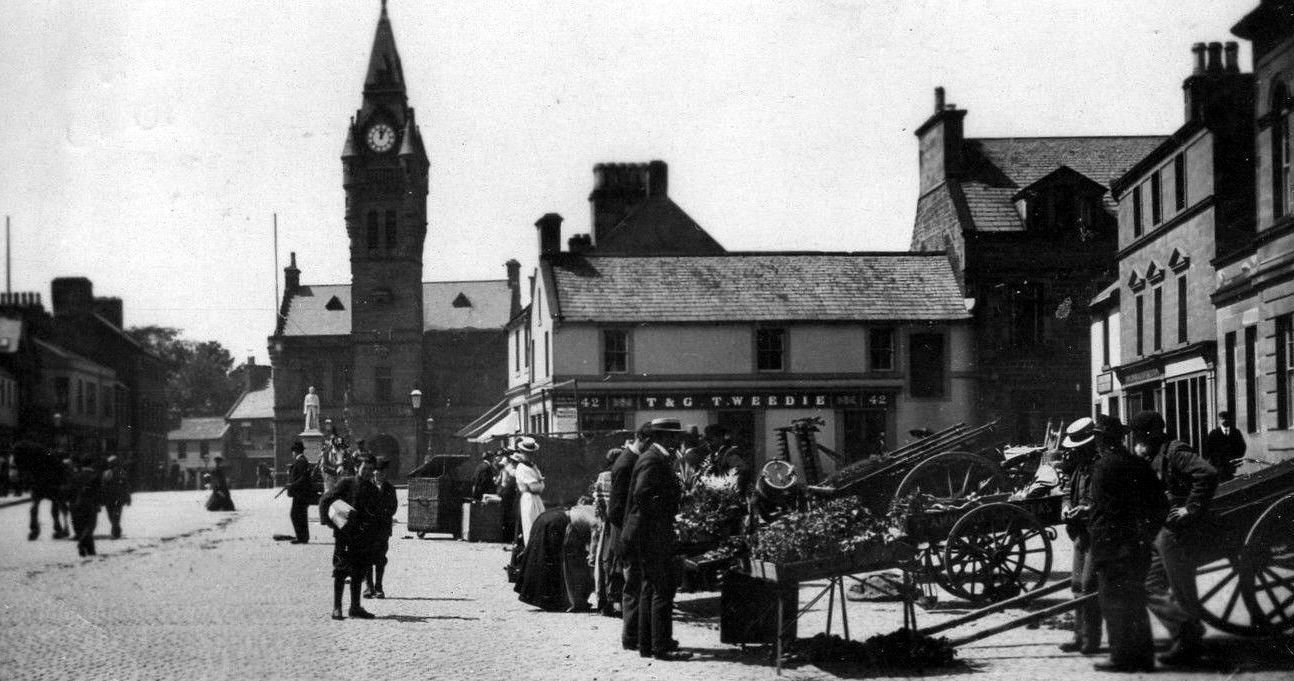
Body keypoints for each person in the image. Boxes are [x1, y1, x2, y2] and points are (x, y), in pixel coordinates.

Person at [1129, 410, 1218, 668]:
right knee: (1149, 585)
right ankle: (1187, 632)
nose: (1137, 440)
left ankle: (1189, 644)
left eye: (1140, 435)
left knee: (1182, 591)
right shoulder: (1156, 453)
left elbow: (1207, 473)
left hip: (1176, 533)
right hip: (1160, 530)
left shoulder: (1175, 451)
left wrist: (1190, 508)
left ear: (1152, 433)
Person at [1088, 414, 1167, 673]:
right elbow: (1161, 505)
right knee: (1135, 600)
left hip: (1111, 547)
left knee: (1113, 603)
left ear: (1101, 440)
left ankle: (1121, 657)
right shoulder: (1138, 464)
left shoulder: (1102, 468)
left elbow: (1102, 511)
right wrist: (1147, 533)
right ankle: (1143, 656)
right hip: (1137, 546)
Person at [622, 419, 691, 661]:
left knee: (649, 588)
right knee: (661, 589)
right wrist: (668, 515)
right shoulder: (653, 459)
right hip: (652, 533)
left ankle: (647, 645)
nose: (676, 442)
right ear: (663, 437)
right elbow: (644, 495)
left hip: (646, 532)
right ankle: (660, 647)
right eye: (674, 437)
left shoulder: (653, 457)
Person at [318, 454, 384, 620]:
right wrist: (330, 522)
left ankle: (355, 607)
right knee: (340, 571)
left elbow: (377, 516)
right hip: (344, 536)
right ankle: (337, 608)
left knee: (359, 572)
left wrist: (375, 537)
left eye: (370, 469)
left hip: (363, 538)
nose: (368, 472)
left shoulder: (374, 490)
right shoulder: (346, 483)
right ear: (357, 468)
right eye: (364, 468)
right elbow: (326, 500)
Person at [1056, 417, 1101, 655]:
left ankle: (1091, 640)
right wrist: (1065, 506)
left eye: (1080, 448)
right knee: (1076, 585)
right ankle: (1079, 635)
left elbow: (1107, 501)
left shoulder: (1101, 466)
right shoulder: (1079, 468)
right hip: (1080, 533)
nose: (1076, 453)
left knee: (1089, 585)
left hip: (1097, 533)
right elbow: (1066, 491)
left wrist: (1087, 509)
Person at [608, 436, 641, 648]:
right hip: (626, 532)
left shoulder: (628, 460)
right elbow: (616, 509)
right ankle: (631, 636)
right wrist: (628, 533)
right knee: (632, 583)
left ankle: (633, 635)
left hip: (625, 531)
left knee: (631, 581)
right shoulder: (626, 463)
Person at [364, 457, 399, 599]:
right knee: (366, 557)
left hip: (383, 528)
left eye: (382, 472)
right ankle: (368, 587)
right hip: (368, 528)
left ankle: (379, 587)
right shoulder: (366, 486)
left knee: (380, 557)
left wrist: (382, 513)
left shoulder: (390, 488)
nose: (378, 474)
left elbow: (393, 507)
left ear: (385, 473)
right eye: (376, 471)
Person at [592, 448, 621, 617]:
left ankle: (603, 601)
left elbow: (598, 503)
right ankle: (615, 601)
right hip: (616, 524)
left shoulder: (602, 476)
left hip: (605, 524)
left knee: (602, 561)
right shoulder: (621, 474)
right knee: (614, 562)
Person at [564, 498, 599, 612]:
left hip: (573, 528)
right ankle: (577, 602)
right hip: (572, 531)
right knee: (576, 569)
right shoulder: (596, 521)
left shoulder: (589, 511)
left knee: (577, 569)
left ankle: (578, 601)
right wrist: (592, 558)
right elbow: (594, 541)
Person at [67, 453, 103, 557]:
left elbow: (70, 491)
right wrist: (99, 503)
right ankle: (82, 543)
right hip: (91, 504)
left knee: (81, 526)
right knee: (90, 525)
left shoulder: (76, 476)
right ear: (91, 464)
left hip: (77, 504)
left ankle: (90, 550)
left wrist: (71, 503)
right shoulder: (95, 475)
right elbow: (99, 492)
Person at [512, 438, 546, 546]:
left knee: (540, 523)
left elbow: (541, 486)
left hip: (536, 499)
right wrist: (540, 484)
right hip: (529, 499)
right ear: (522, 453)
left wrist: (539, 484)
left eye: (532, 454)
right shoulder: (522, 468)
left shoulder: (533, 467)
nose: (531, 456)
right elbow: (535, 487)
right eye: (527, 453)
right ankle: (532, 551)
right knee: (531, 525)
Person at [285, 441, 318, 544]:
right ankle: (303, 537)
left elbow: (303, 478)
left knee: (296, 514)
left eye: (293, 452)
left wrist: (292, 485)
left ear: (295, 452)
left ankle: (301, 537)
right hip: (301, 493)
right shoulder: (302, 460)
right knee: (300, 515)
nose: (292, 454)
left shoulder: (301, 461)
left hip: (301, 493)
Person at [1203, 411, 1244, 482]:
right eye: (1222, 419)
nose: (1224, 421)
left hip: (1231, 464)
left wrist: (1237, 457)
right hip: (1218, 464)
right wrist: (1213, 460)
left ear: (1230, 420)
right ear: (1219, 420)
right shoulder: (1214, 433)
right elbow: (1208, 448)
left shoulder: (1236, 432)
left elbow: (1242, 446)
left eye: (1226, 418)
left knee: (1230, 482)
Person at [100, 455, 131, 540]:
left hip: (111, 497)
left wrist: (102, 497)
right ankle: (116, 530)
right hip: (117, 497)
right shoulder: (118, 472)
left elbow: (103, 486)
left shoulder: (108, 473)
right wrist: (127, 496)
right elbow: (126, 485)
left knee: (112, 514)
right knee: (116, 514)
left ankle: (115, 531)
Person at [497, 451, 519, 542]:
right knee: (509, 517)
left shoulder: (509, 469)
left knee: (507, 517)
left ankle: (506, 536)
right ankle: (508, 537)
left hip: (507, 495)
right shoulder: (512, 470)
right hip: (509, 497)